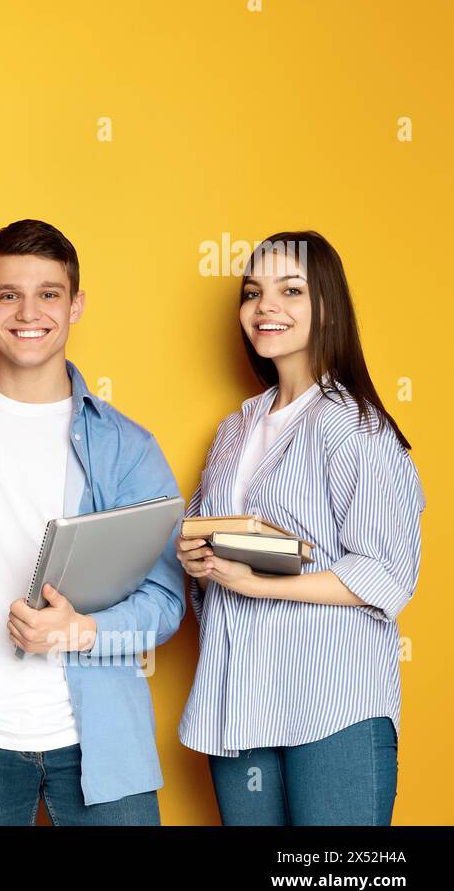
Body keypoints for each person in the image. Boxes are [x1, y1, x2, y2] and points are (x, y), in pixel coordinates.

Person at [0, 219, 184, 825]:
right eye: (8, 294)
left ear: (76, 305)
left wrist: (81, 632)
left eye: (49, 293)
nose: (29, 311)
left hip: (101, 736)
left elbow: (165, 600)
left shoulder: (127, 446)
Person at [176, 231, 423, 826]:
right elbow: (221, 551)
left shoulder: (354, 426)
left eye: (291, 290)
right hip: (237, 703)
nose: (266, 307)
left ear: (327, 306)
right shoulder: (237, 428)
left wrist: (263, 583)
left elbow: (390, 573)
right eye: (253, 291)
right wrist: (198, 561)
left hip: (332, 699)